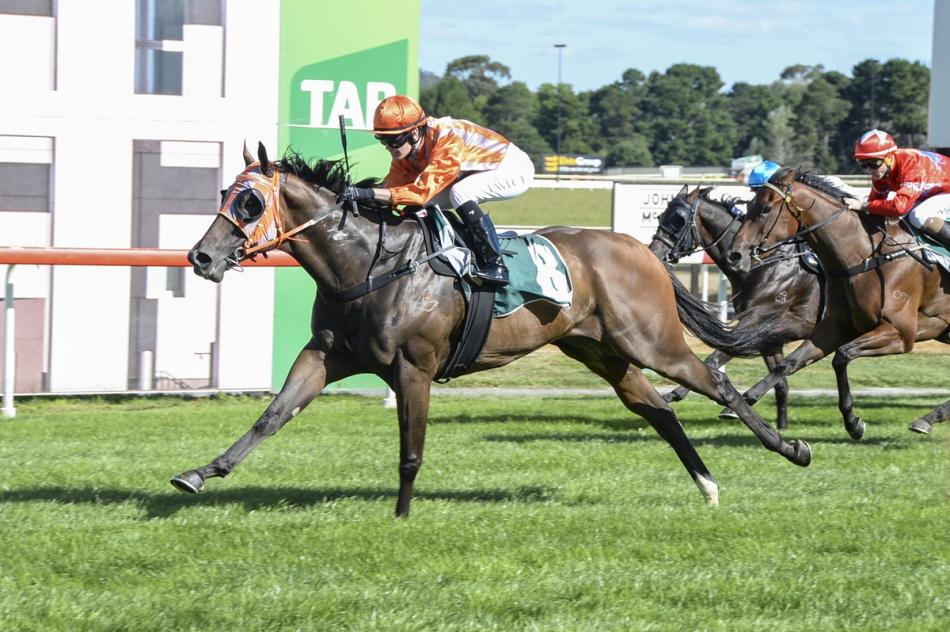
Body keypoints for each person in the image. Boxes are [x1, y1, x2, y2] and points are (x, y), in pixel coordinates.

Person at [337, 95, 536, 285]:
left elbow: (420, 192)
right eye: (383, 140)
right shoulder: (407, 153)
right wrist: (358, 195)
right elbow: (394, 191)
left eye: (394, 140)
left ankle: (495, 262)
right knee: (419, 204)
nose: (388, 146)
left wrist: (367, 193)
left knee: (460, 192)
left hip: (511, 168)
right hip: (473, 172)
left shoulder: (447, 137)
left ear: (414, 133)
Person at [851, 129, 950, 249]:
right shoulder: (881, 172)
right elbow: (874, 205)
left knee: (919, 216)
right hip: (936, 192)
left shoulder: (912, 164)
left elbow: (899, 207)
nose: (869, 170)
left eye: (873, 163)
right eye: (864, 164)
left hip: (945, 191)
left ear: (889, 158)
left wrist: (862, 205)